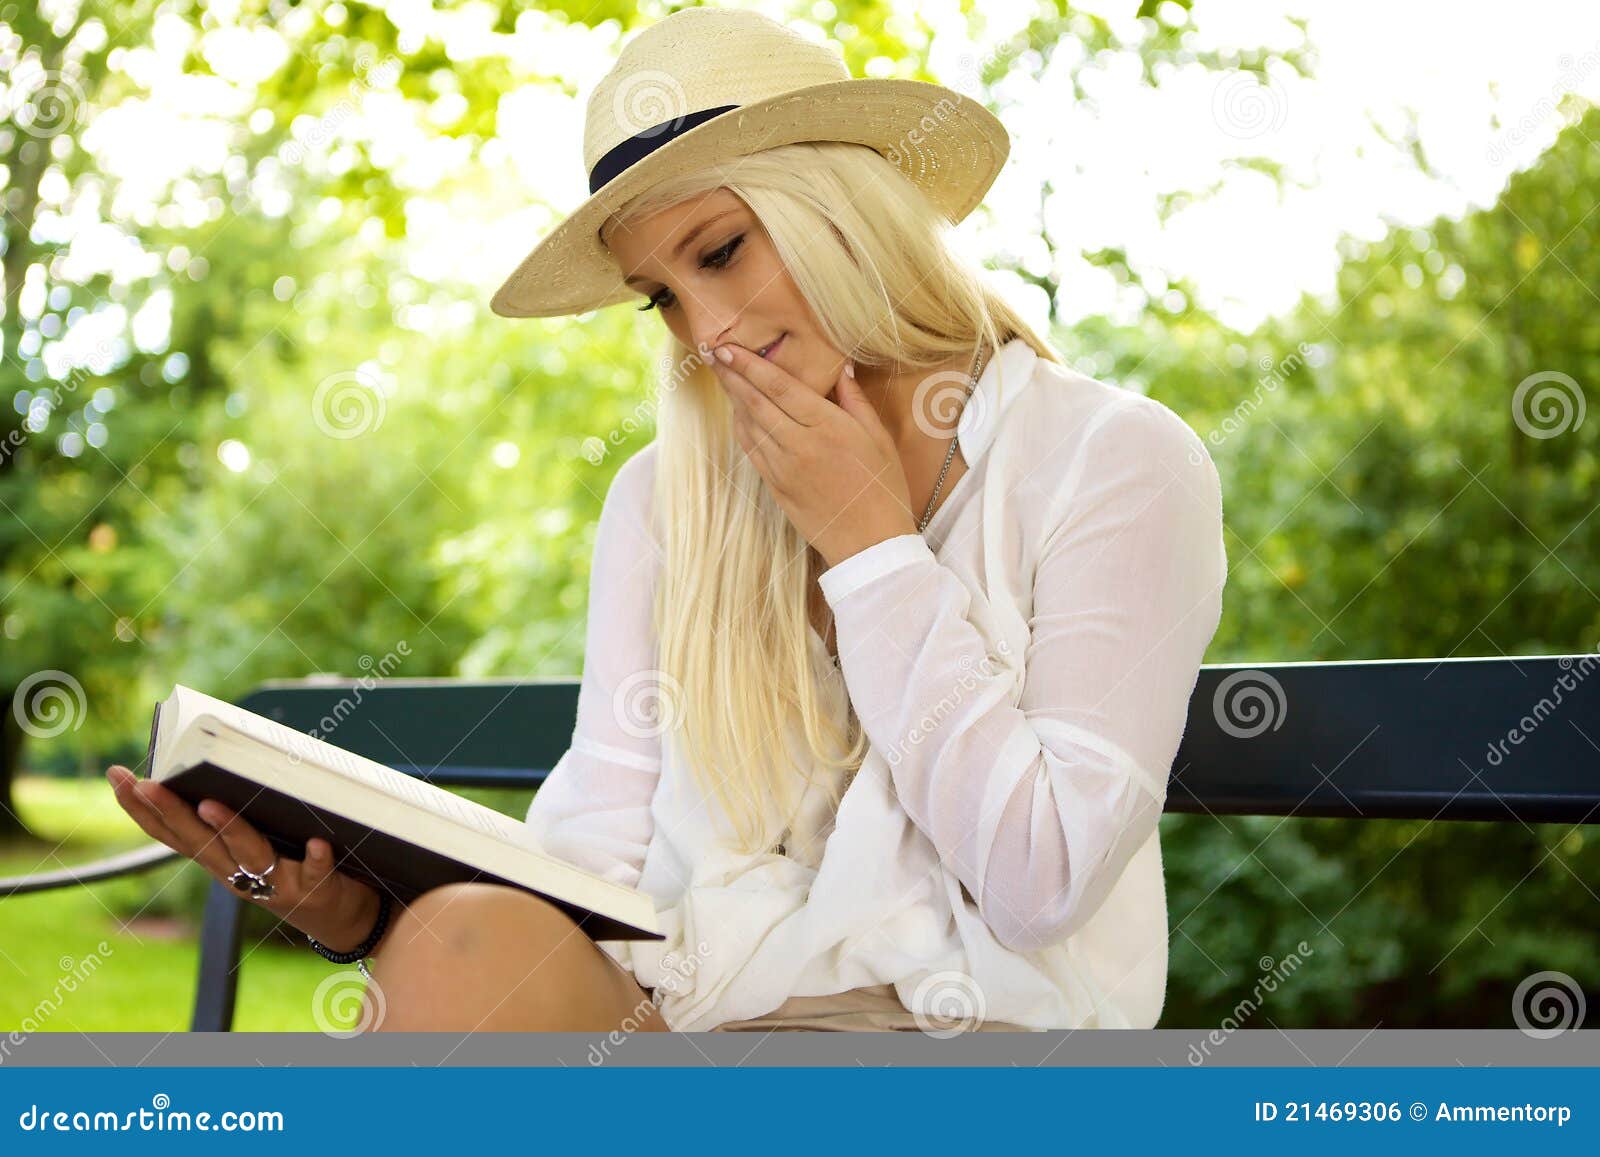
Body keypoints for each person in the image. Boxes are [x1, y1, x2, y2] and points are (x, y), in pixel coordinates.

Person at [107, 6, 1226, 1033]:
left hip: (979, 1048)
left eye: (722, 250)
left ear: (837, 204)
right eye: (664, 296)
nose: (709, 334)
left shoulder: (1111, 459)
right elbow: (594, 849)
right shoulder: (661, 494)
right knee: (460, 943)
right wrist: (362, 914)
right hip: (701, 1027)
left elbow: (1041, 883)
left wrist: (871, 546)